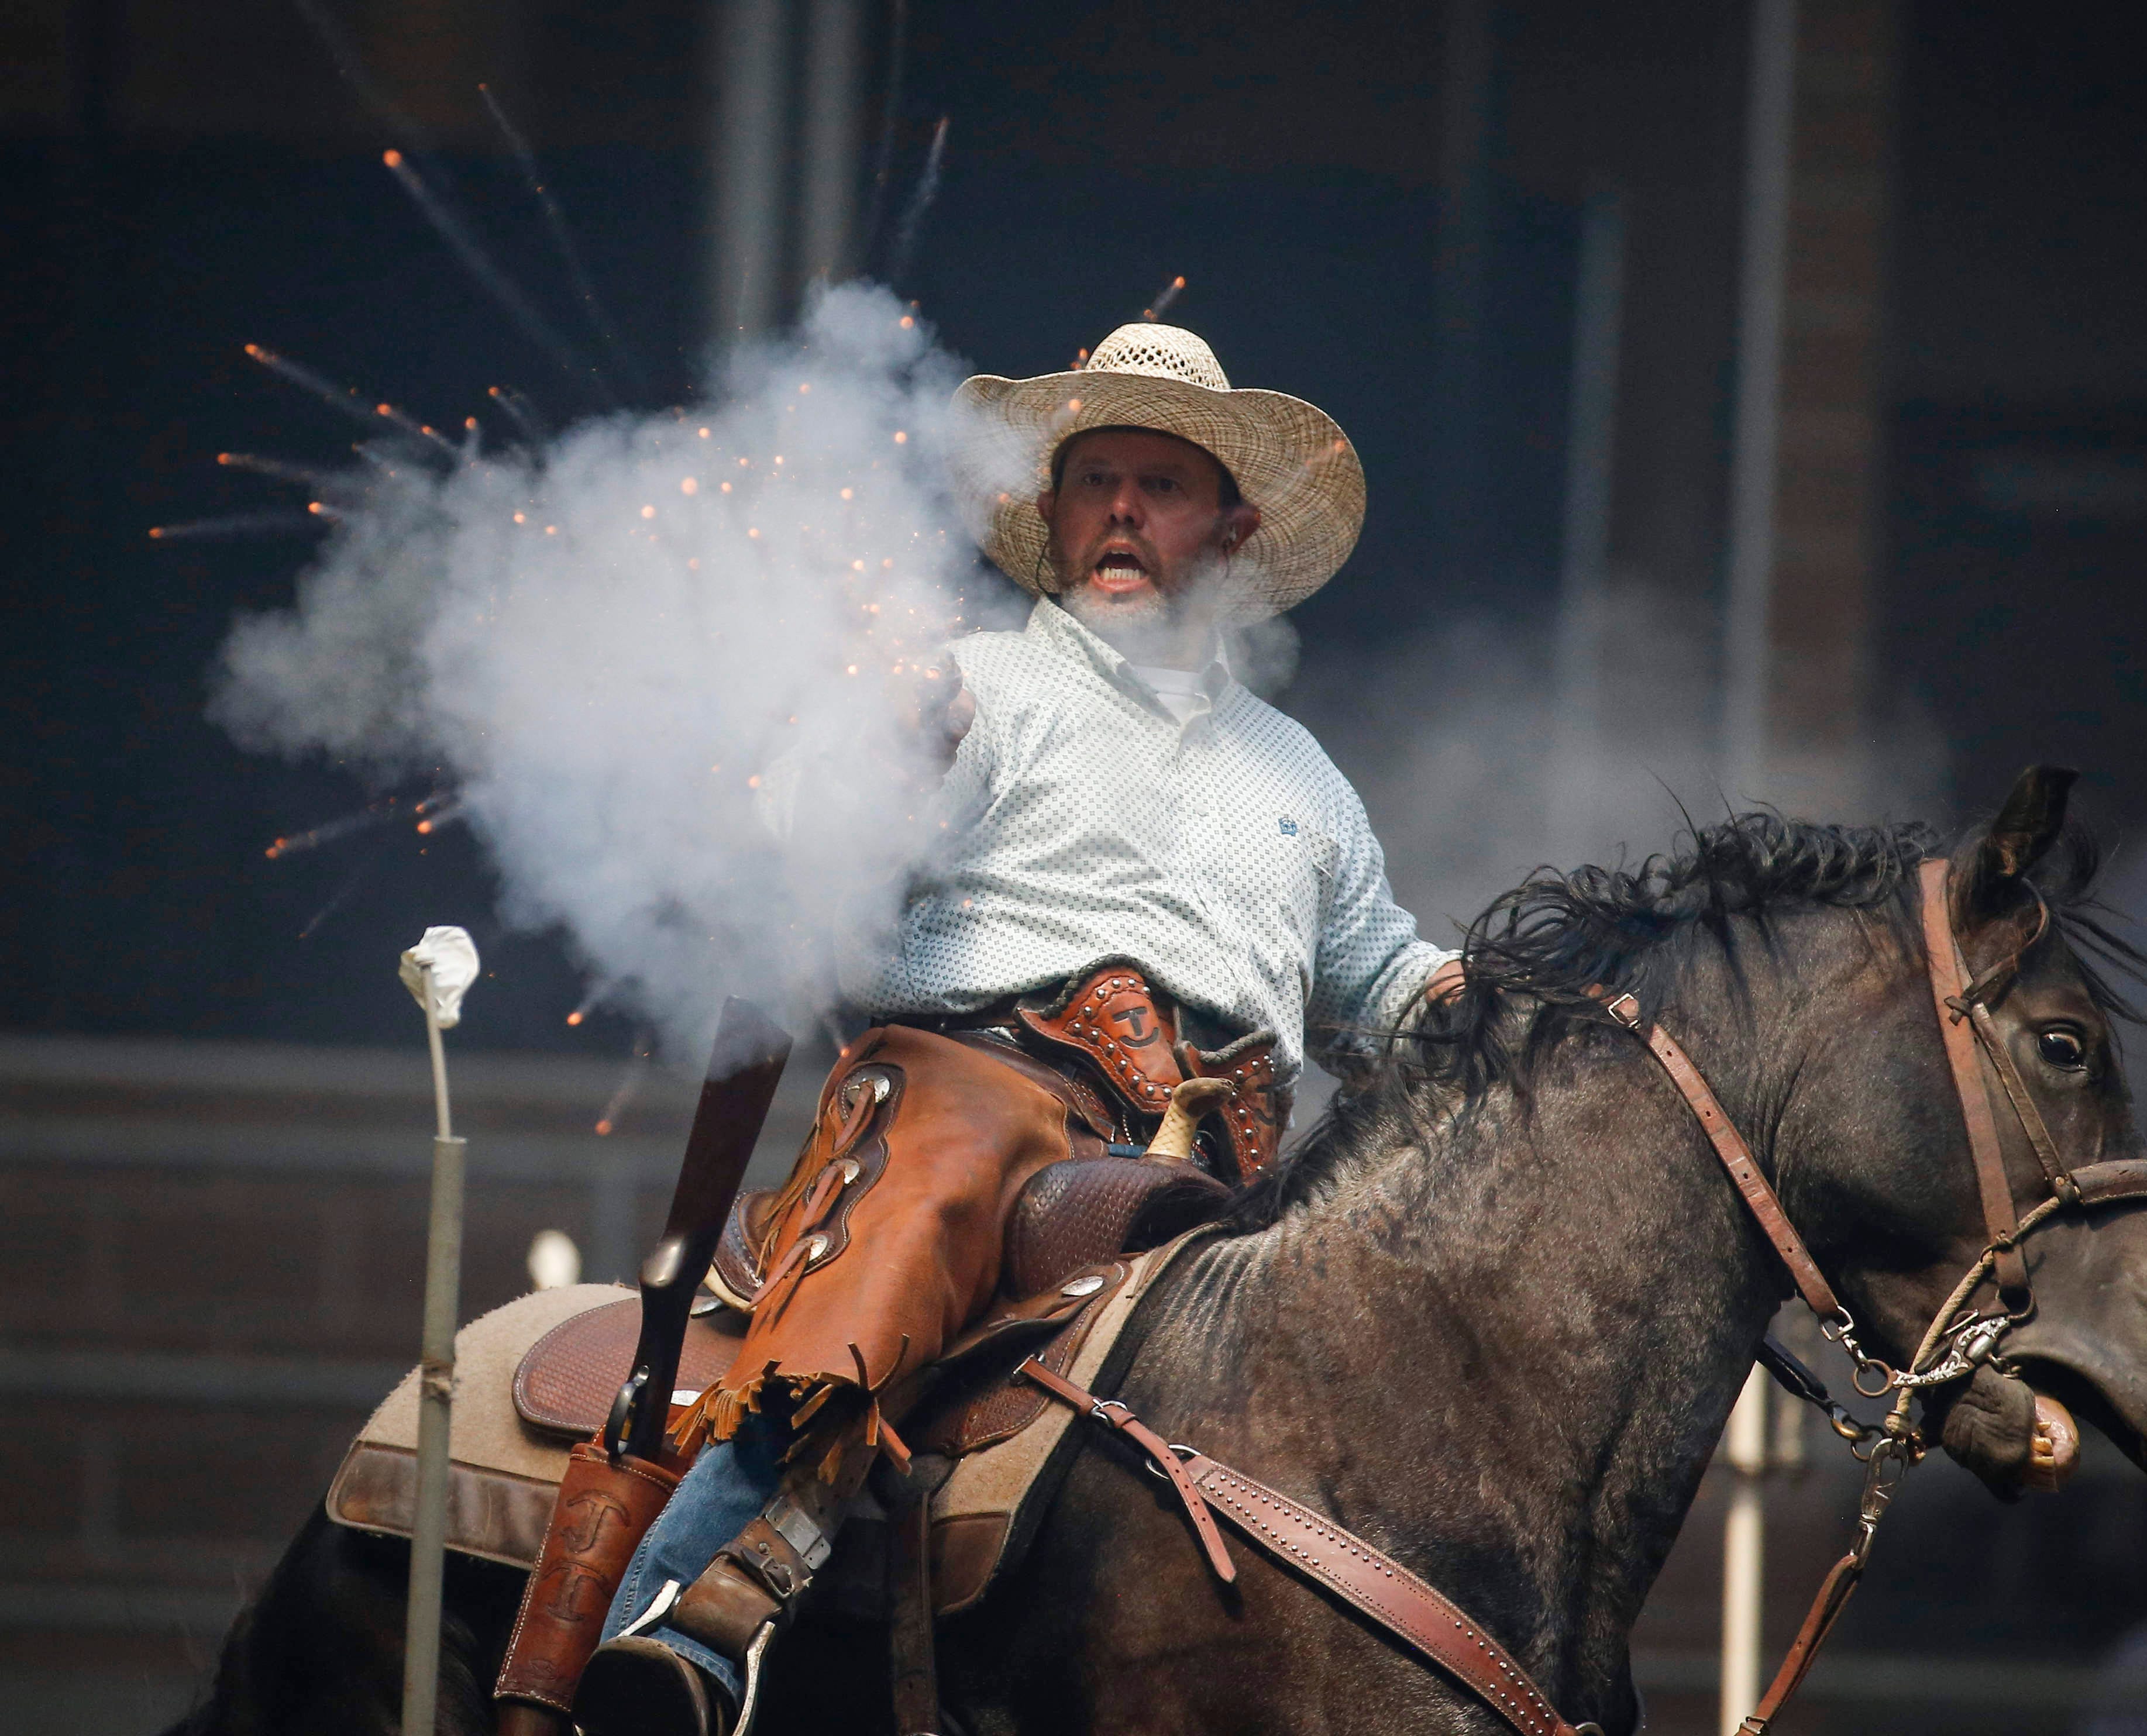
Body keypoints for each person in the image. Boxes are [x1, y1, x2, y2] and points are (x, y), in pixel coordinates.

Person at [490, 323, 1463, 1736]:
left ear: (1231, 530)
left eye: (1161, 485)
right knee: (953, 1162)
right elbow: (797, 847)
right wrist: (877, 753)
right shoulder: (972, 686)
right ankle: (693, 1607)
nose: (1121, 510)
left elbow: (1376, 979)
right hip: (977, 1096)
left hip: (1223, 1186)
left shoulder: (1301, 773)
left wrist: (1474, 995)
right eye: (1094, 482)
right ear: (1051, 514)